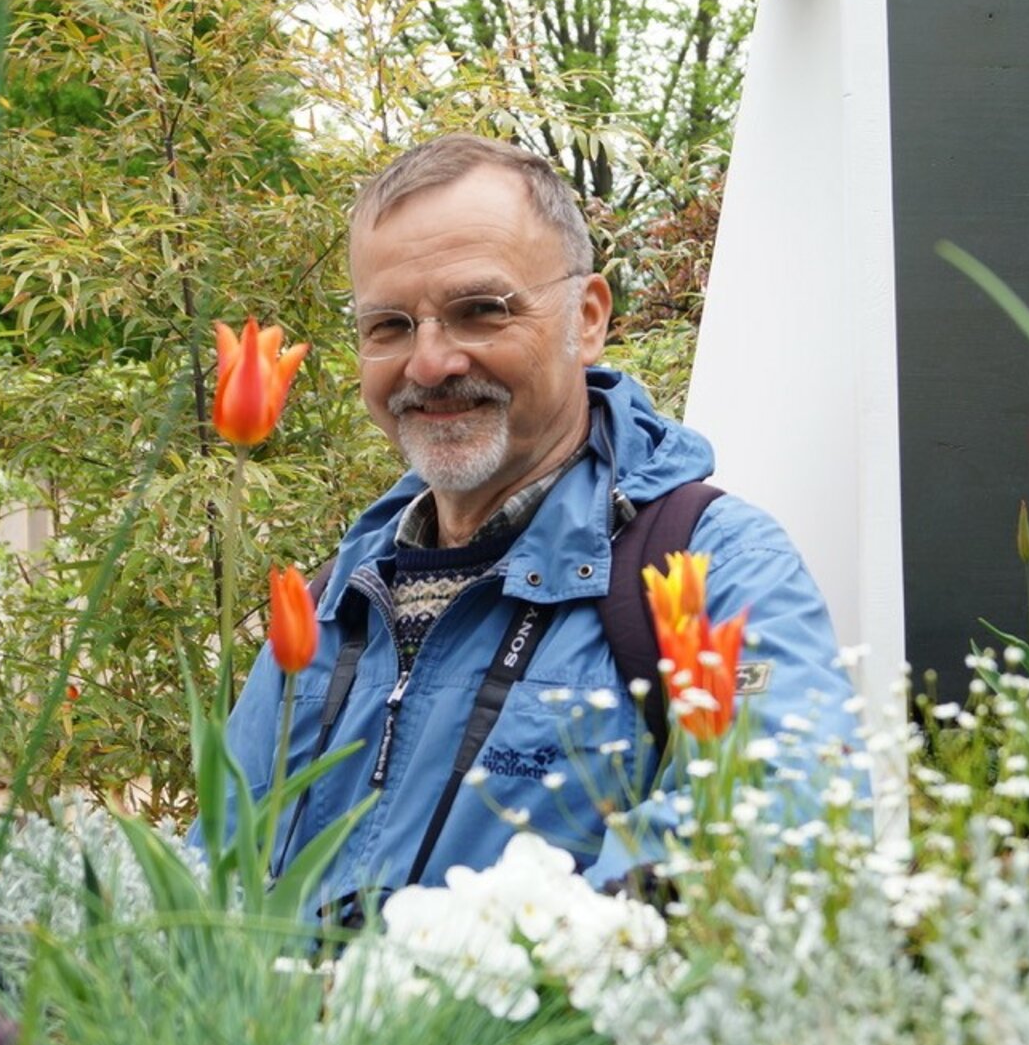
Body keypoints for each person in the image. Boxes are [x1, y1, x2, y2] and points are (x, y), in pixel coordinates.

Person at [224, 134, 856, 917]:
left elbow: (781, 832)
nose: (429, 363)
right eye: (388, 326)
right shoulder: (327, 605)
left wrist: (472, 983)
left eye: (479, 311)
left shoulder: (714, 568)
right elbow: (214, 871)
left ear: (586, 318)